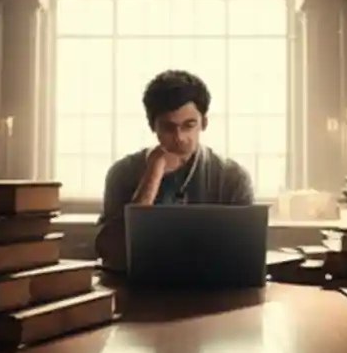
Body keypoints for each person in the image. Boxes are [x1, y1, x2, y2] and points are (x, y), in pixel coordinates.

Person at [95, 69, 254, 272]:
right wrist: (153, 174)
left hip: (211, 287)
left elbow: (244, 255)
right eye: (169, 128)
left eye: (189, 126)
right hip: (139, 287)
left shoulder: (232, 177)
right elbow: (110, 251)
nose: (179, 137)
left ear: (204, 123)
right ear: (153, 126)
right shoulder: (122, 173)